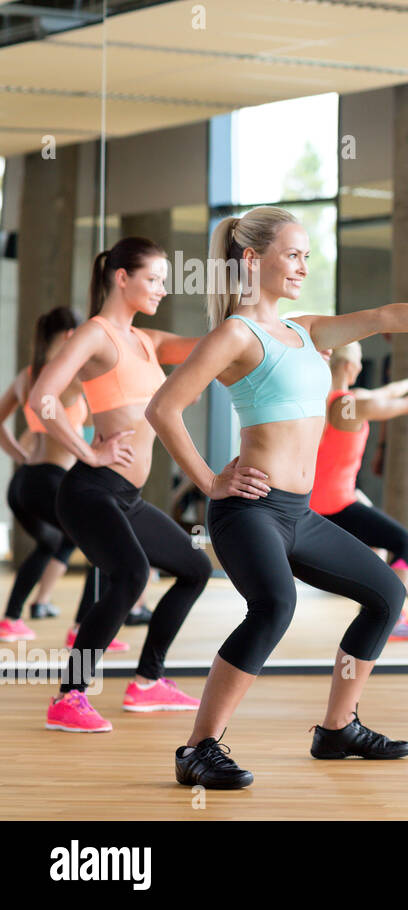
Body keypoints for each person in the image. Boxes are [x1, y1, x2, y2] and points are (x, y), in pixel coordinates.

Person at [146, 205, 408, 788]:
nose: (303, 266)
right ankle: (197, 750)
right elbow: (163, 408)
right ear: (252, 259)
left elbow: (388, 315)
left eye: (308, 256)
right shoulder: (238, 333)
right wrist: (211, 480)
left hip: (299, 513)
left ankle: (337, 730)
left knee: (386, 592)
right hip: (247, 511)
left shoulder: (308, 331)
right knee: (275, 606)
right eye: (293, 254)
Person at [31, 238, 214, 732]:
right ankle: (69, 697)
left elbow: (212, 346)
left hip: (126, 497)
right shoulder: (95, 334)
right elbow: (42, 396)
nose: (160, 289)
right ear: (121, 278)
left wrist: (285, 333)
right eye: (153, 279)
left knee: (194, 568)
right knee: (130, 575)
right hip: (89, 490)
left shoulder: (146, 341)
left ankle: (148, 682)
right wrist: (88, 449)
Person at [310, 341, 408, 641]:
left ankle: (382, 613)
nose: (361, 366)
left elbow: (386, 394)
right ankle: (392, 617)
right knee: (404, 543)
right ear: (347, 366)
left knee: (379, 550)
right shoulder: (350, 404)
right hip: (335, 506)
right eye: (359, 360)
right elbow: (403, 405)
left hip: (318, 503)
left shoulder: (324, 401)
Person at [0, 307, 98, 639]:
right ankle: (83, 629)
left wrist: (18, 453)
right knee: (101, 543)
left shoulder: (27, 376)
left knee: (50, 542)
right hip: (50, 481)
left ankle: (10, 618)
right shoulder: (70, 378)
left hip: (23, 482)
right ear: (72, 336)